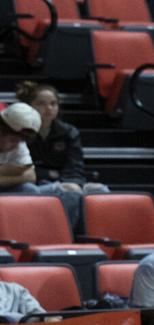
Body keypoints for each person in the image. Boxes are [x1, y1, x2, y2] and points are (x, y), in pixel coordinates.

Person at [16, 82, 110, 229]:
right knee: (67, 193)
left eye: (53, 103)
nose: (49, 108)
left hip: (63, 180)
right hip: (33, 184)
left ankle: (97, 238)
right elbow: (19, 168)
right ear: (30, 106)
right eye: (42, 103)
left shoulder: (69, 132)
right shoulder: (19, 132)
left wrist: (75, 184)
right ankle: (65, 238)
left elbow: (75, 166)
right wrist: (50, 175)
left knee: (100, 190)